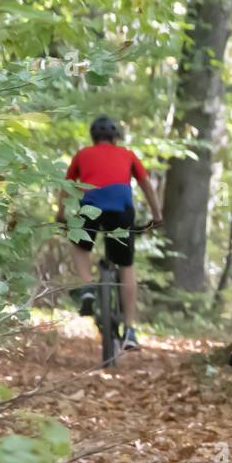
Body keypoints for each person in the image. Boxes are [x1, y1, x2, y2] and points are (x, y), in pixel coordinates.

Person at [58, 116, 162, 350]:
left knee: (78, 242)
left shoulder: (82, 154)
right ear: (116, 138)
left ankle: (87, 287)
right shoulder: (127, 154)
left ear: (93, 138)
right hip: (121, 211)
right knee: (126, 266)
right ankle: (130, 329)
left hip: (90, 207)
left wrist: (60, 215)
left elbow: (66, 187)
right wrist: (157, 216)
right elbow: (147, 186)